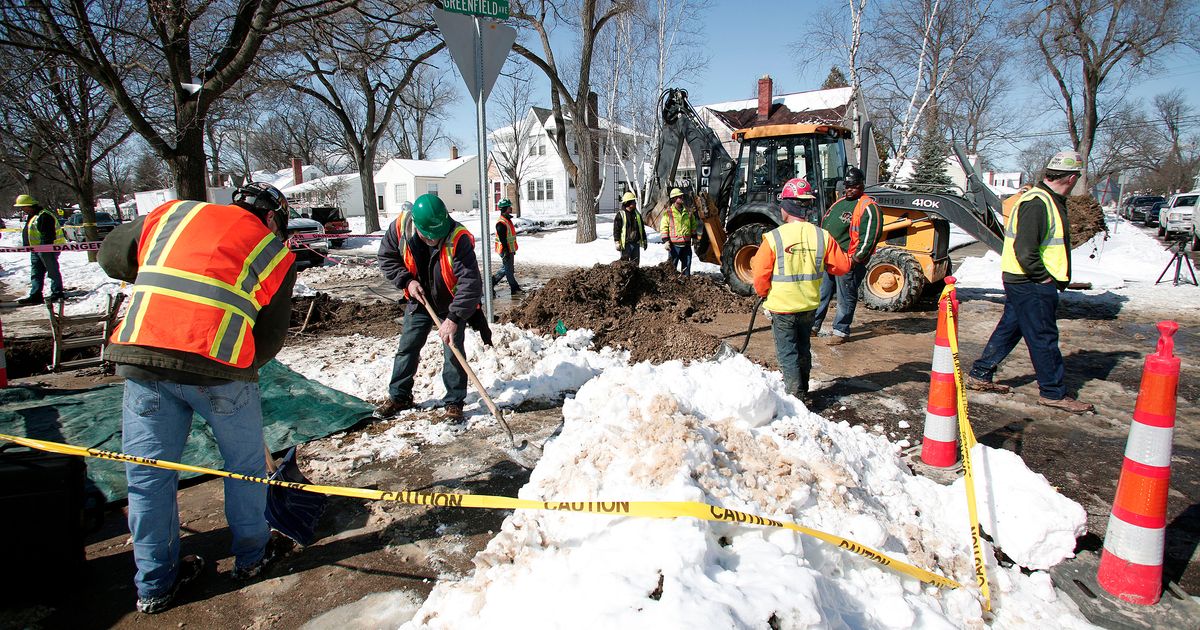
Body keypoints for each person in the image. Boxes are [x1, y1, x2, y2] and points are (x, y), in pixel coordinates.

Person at [98, 182, 298, 614]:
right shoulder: (273, 252)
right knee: (244, 468)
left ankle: (155, 584)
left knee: (148, 477)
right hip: (220, 369)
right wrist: (242, 368)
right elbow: (269, 338)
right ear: (271, 218)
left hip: (144, 359)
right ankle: (252, 555)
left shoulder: (175, 214)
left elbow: (110, 256)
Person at [966, 151, 1094, 413]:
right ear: (1071, 178)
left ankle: (981, 373)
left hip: (1023, 280)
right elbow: (1025, 250)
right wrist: (1043, 277)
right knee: (1043, 336)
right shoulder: (1038, 203)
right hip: (1031, 281)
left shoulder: (1043, 199)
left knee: (1011, 327)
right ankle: (1053, 392)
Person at [377, 193, 483, 423]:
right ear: (418, 226)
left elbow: (471, 283)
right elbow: (386, 258)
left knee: (453, 352)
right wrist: (407, 281)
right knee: (407, 347)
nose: (435, 239)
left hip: (451, 303)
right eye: (430, 236)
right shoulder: (400, 228)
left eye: (438, 234)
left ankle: (454, 401)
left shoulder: (458, 237)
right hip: (420, 299)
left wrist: (454, 318)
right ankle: (399, 396)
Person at [751, 178, 851, 402]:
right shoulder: (822, 236)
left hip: (782, 307)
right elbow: (842, 266)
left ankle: (795, 398)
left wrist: (764, 293)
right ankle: (803, 388)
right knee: (804, 348)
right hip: (809, 306)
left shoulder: (774, 237)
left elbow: (759, 274)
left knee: (788, 352)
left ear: (786, 208)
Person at [810, 166, 882, 344]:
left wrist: (856, 259)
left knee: (845, 297)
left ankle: (840, 331)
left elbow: (870, 236)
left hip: (847, 260)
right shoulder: (839, 203)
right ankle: (813, 326)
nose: (849, 190)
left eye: (853, 186)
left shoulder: (868, 207)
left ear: (861, 185)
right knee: (821, 293)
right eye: (847, 186)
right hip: (829, 258)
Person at [15, 194, 66, 305]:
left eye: (23, 207)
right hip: (36, 249)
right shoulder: (33, 216)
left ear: (29, 205)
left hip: (47, 249)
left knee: (52, 271)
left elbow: (48, 235)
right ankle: (36, 295)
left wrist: (43, 249)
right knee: (36, 273)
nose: (22, 209)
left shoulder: (44, 216)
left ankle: (57, 293)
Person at [659, 188, 701, 275]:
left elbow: (693, 225)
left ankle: (686, 282)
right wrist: (666, 241)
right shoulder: (668, 213)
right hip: (674, 246)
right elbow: (664, 228)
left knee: (686, 267)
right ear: (674, 199)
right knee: (672, 268)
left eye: (682, 196)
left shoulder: (688, 212)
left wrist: (695, 237)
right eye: (680, 197)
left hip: (686, 245)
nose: (682, 198)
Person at [490, 198, 522, 294]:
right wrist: (506, 251)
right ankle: (514, 288)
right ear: (505, 209)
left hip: (509, 249)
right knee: (509, 270)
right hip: (504, 250)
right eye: (509, 207)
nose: (511, 208)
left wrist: (512, 250)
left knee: (506, 268)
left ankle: (491, 283)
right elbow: (503, 239)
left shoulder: (507, 220)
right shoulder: (501, 223)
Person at [613, 191, 647, 264]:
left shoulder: (637, 214)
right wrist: (617, 241)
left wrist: (644, 239)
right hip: (626, 245)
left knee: (635, 265)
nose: (635, 203)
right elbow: (616, 229)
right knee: (625, 265)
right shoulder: (621, 215)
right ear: (628, 203)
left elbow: (641, 229)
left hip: (636, 244)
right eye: (633, 201)